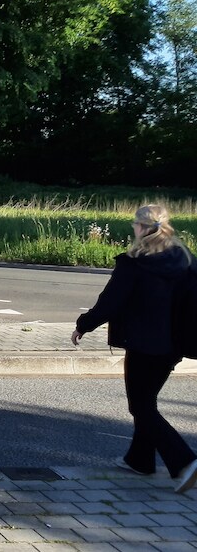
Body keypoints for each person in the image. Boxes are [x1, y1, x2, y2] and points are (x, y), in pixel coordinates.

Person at [72, 205, 197, 493]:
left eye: (135, 224)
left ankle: (185, 462)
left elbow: (110, 302)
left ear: (142, 227)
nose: (133, 228)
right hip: (174, 345)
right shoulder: (186, 259)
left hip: (142, 343)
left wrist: (84, 325)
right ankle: (140, 460)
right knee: (147, 401)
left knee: (140, 405)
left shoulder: (136, 262)